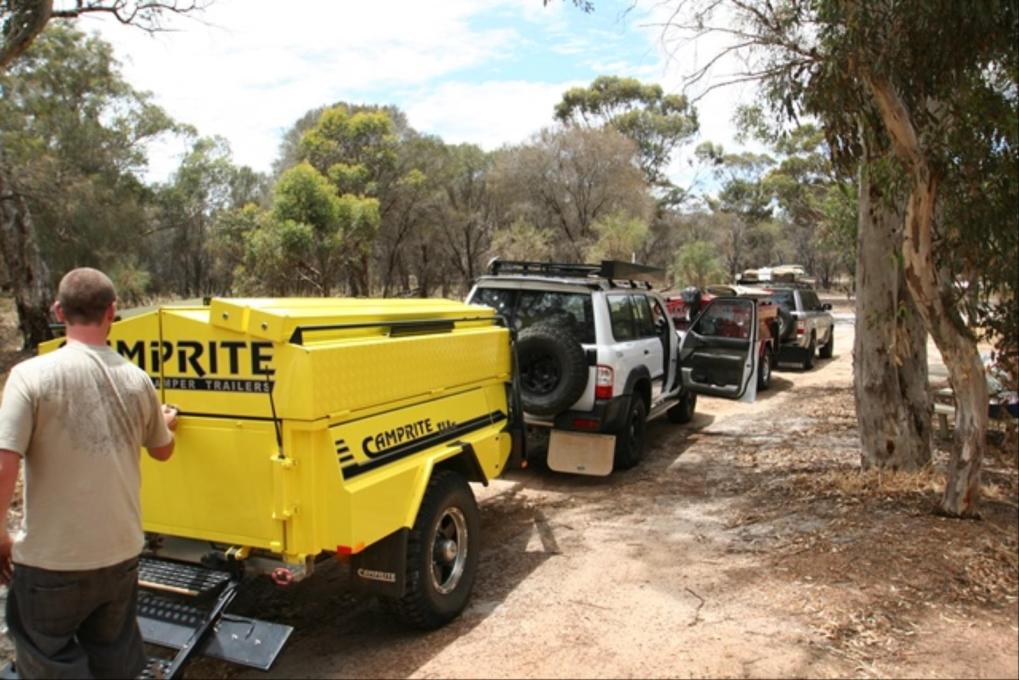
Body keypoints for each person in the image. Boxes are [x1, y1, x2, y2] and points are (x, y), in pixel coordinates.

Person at [0, 268, 178, 679]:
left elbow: (5, 462)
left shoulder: (32, 376)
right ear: (113, 312)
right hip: (120, 557)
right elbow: (163, 452)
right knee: (115, 661)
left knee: (49, 662)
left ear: (58, 311)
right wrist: (163, 422)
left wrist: (2, 537)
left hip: (52, 563)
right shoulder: (137, 380)